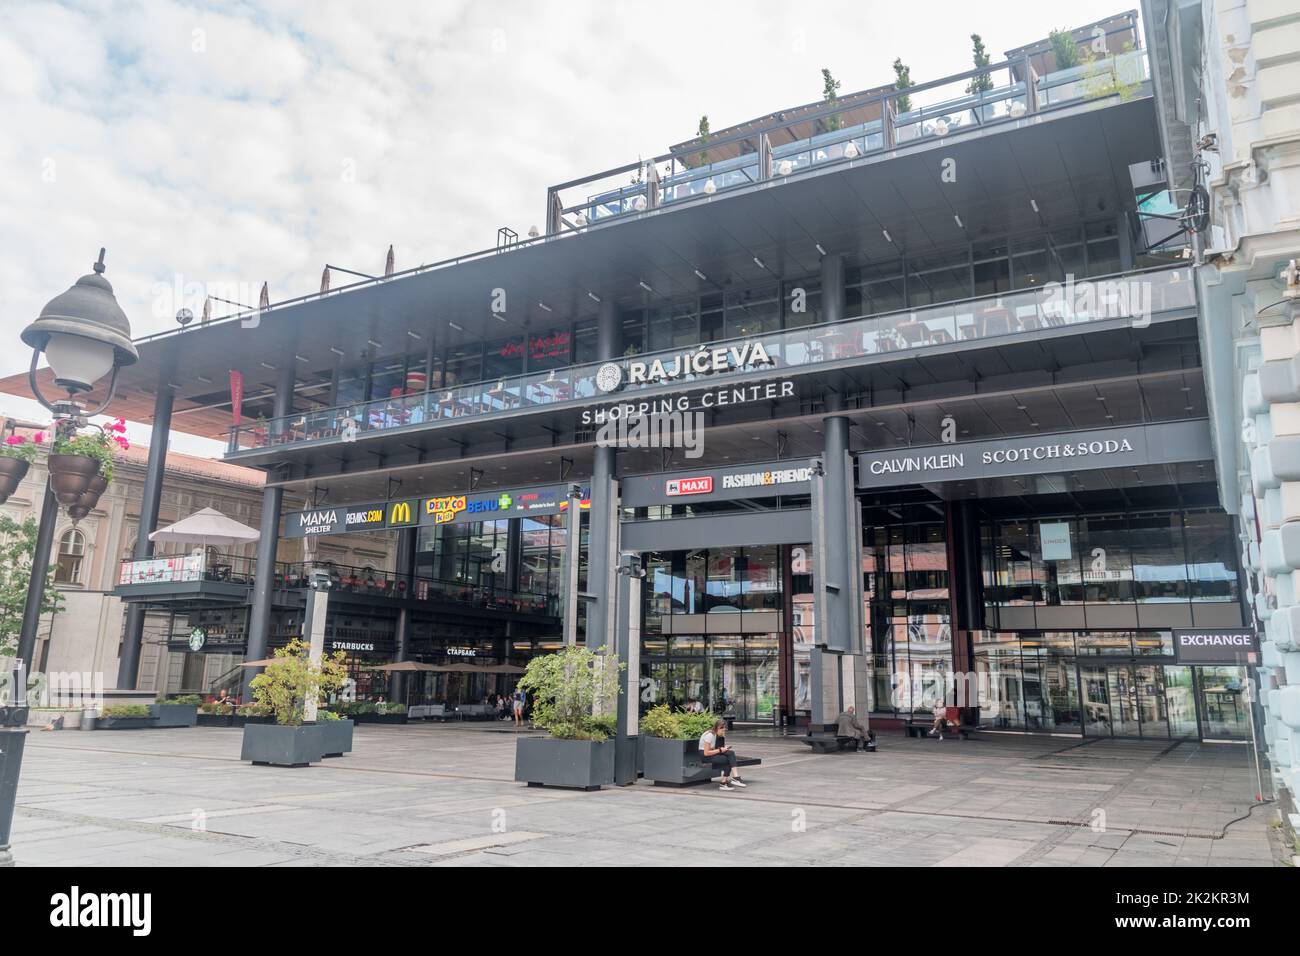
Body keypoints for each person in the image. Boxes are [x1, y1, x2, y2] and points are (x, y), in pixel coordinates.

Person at [699, 717, 746, 791]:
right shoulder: (709, 736)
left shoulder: (715, 735)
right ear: (718, 728)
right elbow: (706, 753)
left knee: (731, 753)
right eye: (723, 729)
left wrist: (724, 749)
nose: (724, 730)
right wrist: (720, 750)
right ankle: (727, 782)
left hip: (711, 753)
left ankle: (735, 778)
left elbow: (715, 749)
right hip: (705, 756)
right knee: (728, 760)